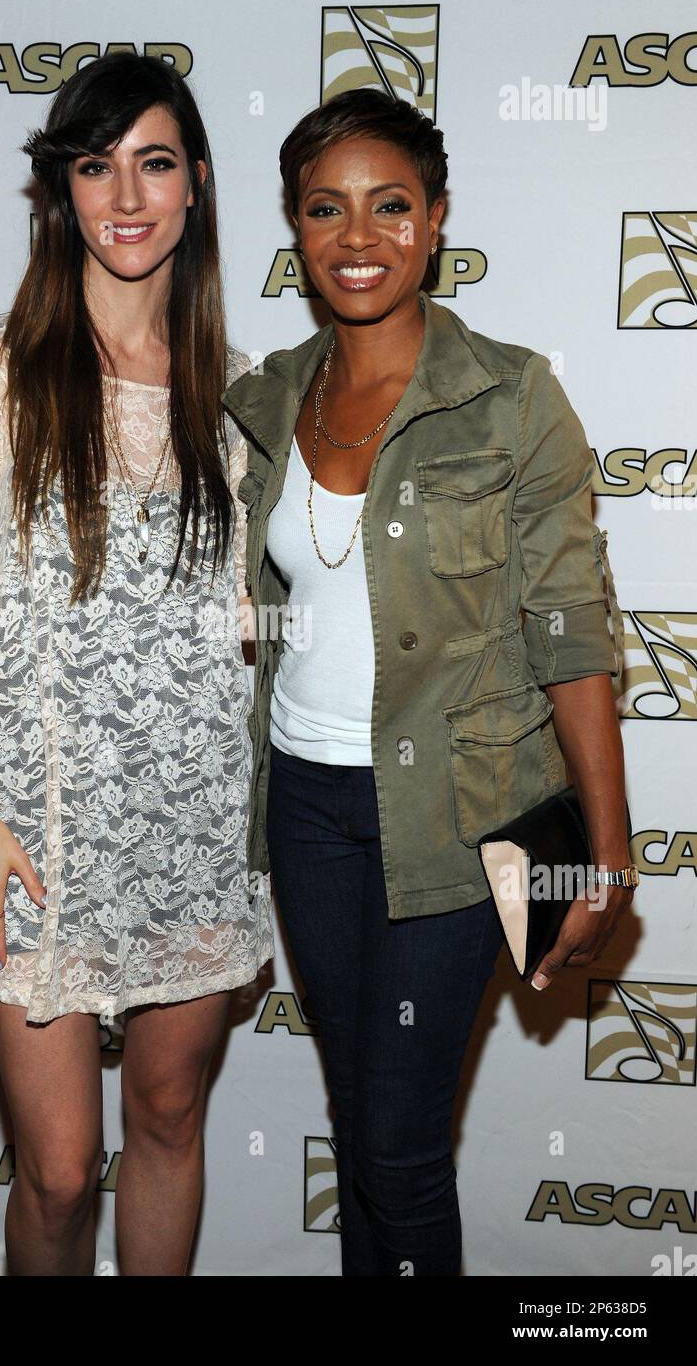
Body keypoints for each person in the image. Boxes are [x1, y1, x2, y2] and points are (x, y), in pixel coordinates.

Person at [221, 87, 636, 1277]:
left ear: (436, 217)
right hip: (305, 807)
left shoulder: (511, 399)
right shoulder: (263, 400)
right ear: (295, 232)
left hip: (453, 820)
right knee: (362, 1127)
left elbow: (568, 630)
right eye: (324, 210)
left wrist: (601, 855)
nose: (358, 238)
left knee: (397, 1148)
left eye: (389, 206)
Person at [0, 50, 272, 1277]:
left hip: (194, 824)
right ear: (61, 191)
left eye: (154, 162)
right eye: (94, 164)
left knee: (169, 1120)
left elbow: (250, 618)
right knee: (61, 1176)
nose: (126, 194)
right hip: (35, 830)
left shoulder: (234, 394)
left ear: (197, 186)